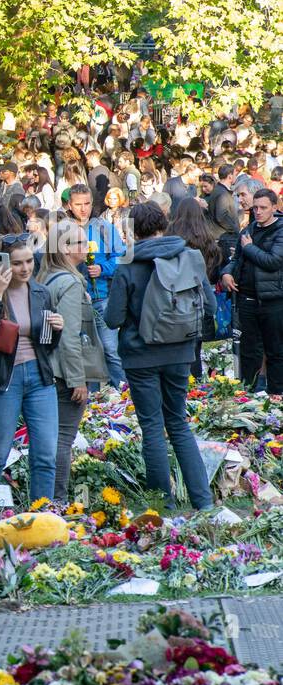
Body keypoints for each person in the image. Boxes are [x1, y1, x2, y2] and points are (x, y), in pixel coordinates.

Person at [104, 202, 215, 509]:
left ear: (133, 230)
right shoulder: (191, 256)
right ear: (164, 224)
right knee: (178, 423)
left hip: (140, 357)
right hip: (181, 352)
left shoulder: (128, 264)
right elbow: (210, 307)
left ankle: (161, 502)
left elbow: (113, 319)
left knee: (152, 426)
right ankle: (203, 501)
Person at [0, 237, 63, 511]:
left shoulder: (40, 292)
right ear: (3, 264)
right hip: (3, 379)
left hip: (39, 377)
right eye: (17, 262)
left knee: (46, 452)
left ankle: (41, 512)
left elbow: (46, 344)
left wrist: (57, 329)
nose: (25, 268)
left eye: (29, 261)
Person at [38, 223, 107, 501]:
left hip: (47, 367)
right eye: (80, 243)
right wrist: (77, 379)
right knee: (63, 439)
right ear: (65, 249)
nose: (86, 247)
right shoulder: (69, 282)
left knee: (50, 438)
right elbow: (70, 335)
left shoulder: (47, 277)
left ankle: (44, 496)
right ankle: (58, 499)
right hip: (63, 372)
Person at [221, 188, 283, 392]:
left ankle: (276, 395)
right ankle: (247, 393)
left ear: (274, 207)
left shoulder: (280, 230)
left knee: (275, 350)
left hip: (272, 300)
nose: (258, 211)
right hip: (246, 298)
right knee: (248, 350)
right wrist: (227, 273)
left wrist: (249, 248)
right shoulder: (248, 230)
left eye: (263, 208)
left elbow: (274, 261)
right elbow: (236, 258)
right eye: (255, 207)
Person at [65, 183, 126, 387]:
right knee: (83, 352)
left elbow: (122, 258)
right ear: (69, 205)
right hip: (73, 300)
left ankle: (122, 393)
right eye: (78, 204)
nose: (83, 209)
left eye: (87, 203)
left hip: (101, 296)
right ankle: (90, 401)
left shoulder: (103, 228)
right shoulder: (63, 230)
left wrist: (103, 268)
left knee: (110, 349)